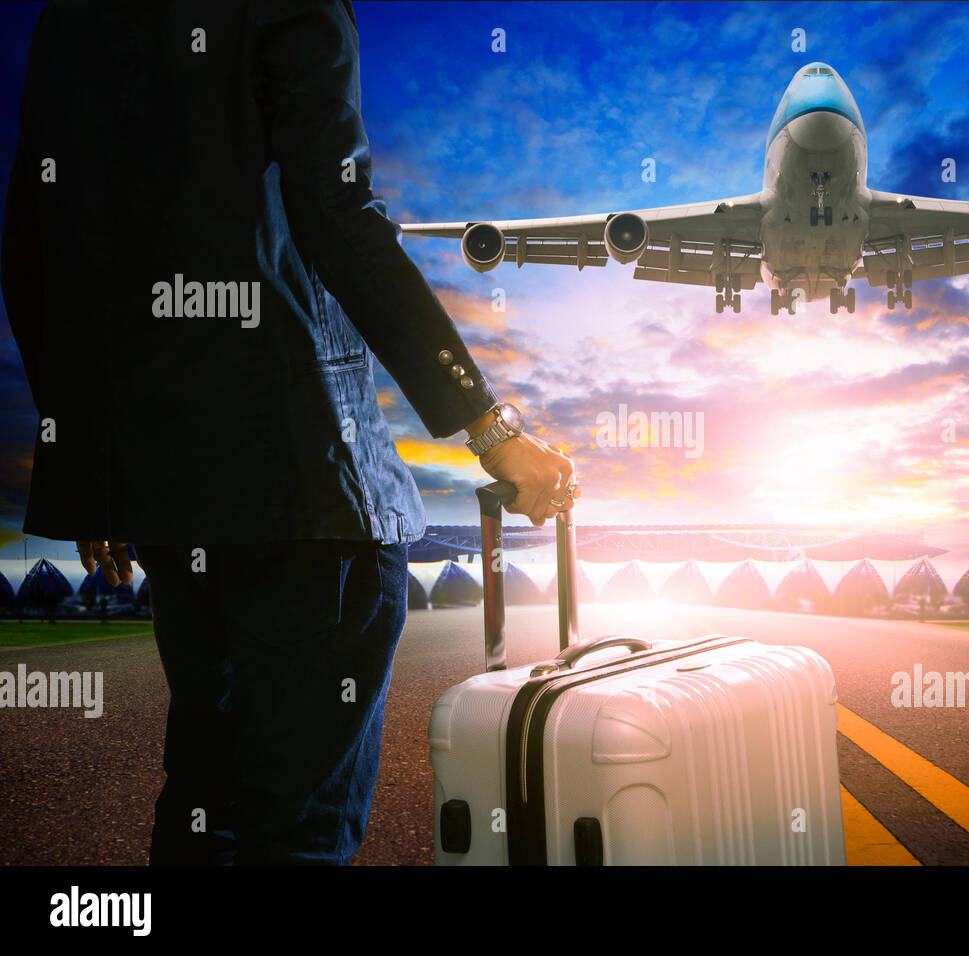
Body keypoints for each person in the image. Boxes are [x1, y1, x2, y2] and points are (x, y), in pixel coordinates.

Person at [1, 0, 575, 864]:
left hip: (175, 504)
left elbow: (29, 254)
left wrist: (100, 468)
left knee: (205, 807)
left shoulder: (65, 23)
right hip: (310, 485)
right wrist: (489, 427)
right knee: (298, 834)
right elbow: (338, 213)